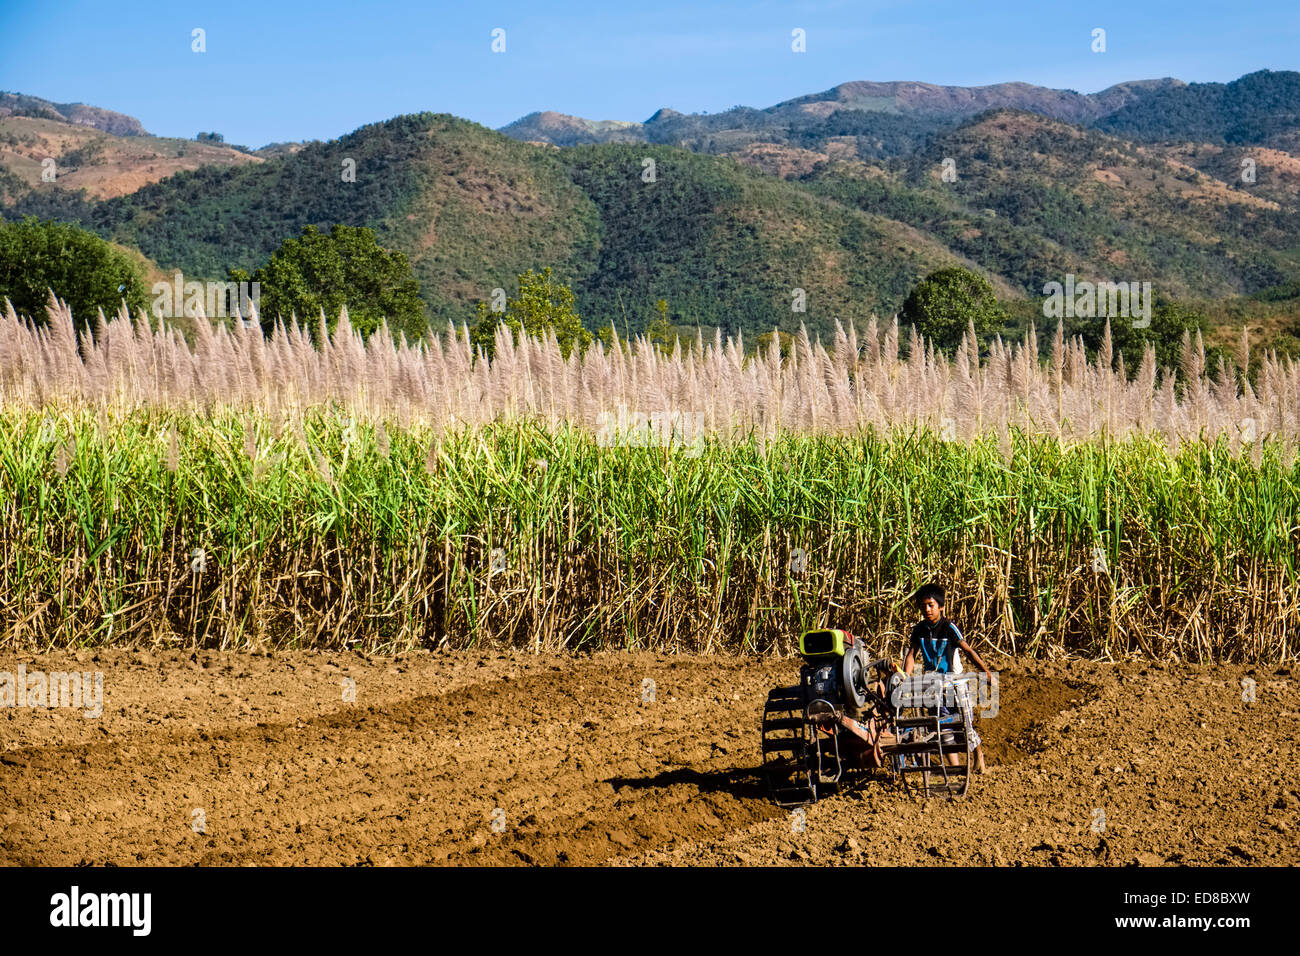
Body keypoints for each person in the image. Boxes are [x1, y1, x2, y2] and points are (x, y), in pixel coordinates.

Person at [903, 582, 990, 773]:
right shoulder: (919, 630)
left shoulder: (949, 627)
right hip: (933, 685)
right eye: (923, 606)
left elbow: (968, 650)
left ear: (941, 606)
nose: (927, 610)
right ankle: (957, 769)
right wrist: (904, 677)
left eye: (931, 605)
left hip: (955, 682)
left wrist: (985, 671)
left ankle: (978, 755)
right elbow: (911, 655)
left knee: (966, 724)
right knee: (942, 727)